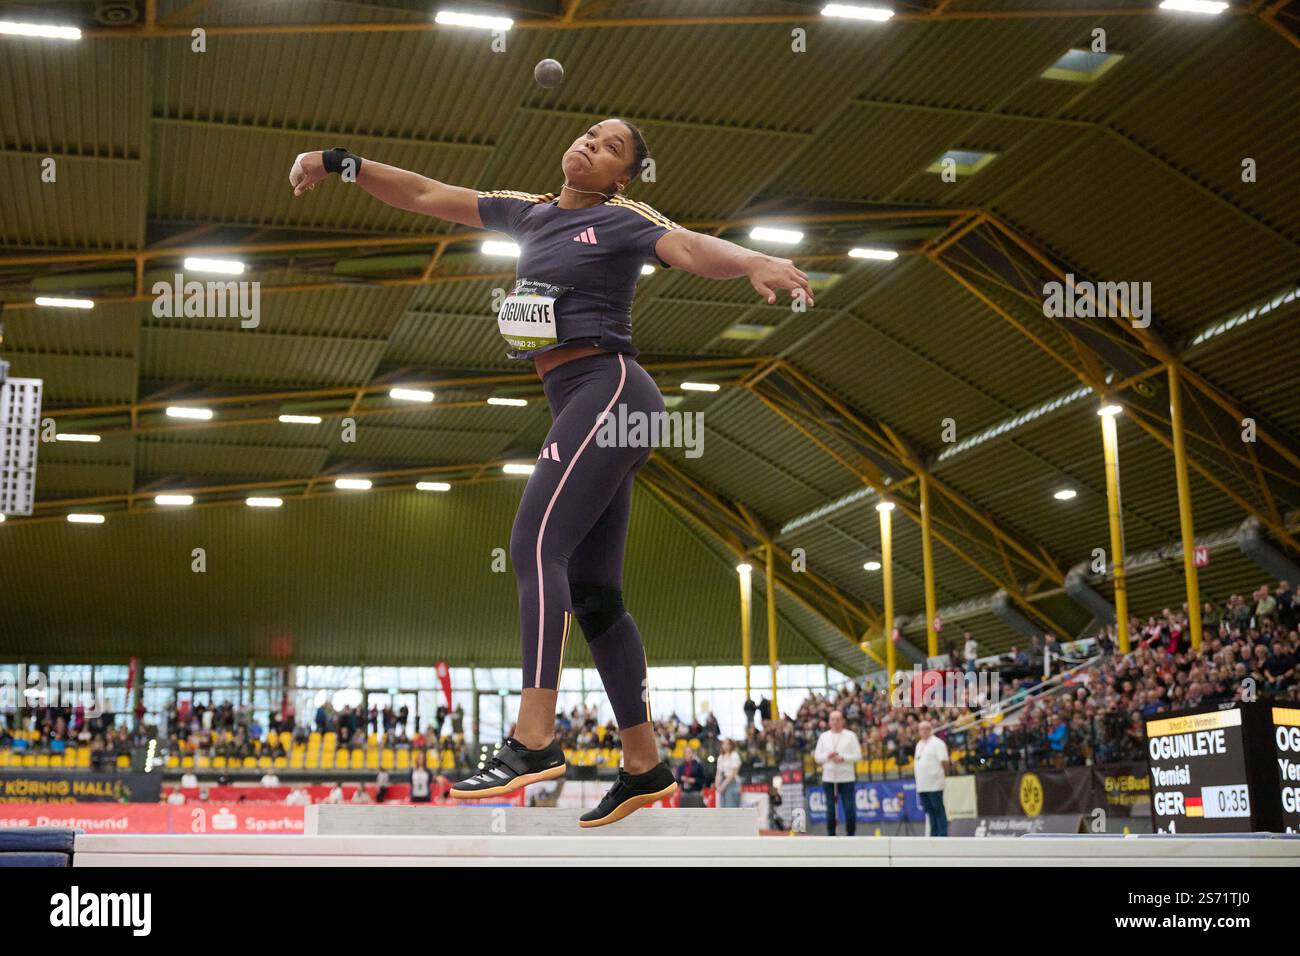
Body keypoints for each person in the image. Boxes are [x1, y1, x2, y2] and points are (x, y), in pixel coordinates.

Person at [289, 119, 810, 827]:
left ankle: (533, 737)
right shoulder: (523, 211)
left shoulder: (621, 217)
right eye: (591, 133)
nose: (592, 143)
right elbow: (421, 192)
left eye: (611, 147)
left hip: (612, 388)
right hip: (583, 400)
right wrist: (340, 163)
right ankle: (644, 764)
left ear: (623, 177)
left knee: (536, 545)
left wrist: (751, 260)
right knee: (595, 595)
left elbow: (685, 246)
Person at [813, 710, 861, 836]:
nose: (835, 722)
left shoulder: (850, 736)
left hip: (846, 778)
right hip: (829, 778)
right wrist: (828, 756)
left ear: (842, 721)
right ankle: (831, 836)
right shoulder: (824, 737)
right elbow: (817, 757)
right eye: (833, 719)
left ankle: (851, 836)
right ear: (829, 722)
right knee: (830, 810)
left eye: (838, 719)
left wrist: (843, 758)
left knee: (849, 808)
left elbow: (858, 756)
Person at [914, 720, 950, 837]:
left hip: (935, 783)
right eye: (921, 729)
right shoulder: (919, 744)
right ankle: (934, 834)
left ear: (930, 729)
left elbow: (944, 761)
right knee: (929, 811)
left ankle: (942, 833)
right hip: (922, 785)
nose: (924, 731)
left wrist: (945, 776)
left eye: (926, 728)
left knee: (938, 809)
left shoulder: (937, 743)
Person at [715, 738, 742, 809]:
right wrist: (717, 785)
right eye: (724, 744)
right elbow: (718, 772)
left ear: (731, 745)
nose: (725, 746)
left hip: (732, 782)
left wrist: (724, 785)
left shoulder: (734, 755)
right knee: (722, 806)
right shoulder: (721, 757)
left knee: (731, 805)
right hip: (722, 781)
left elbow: (733, 773)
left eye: (727, 744)